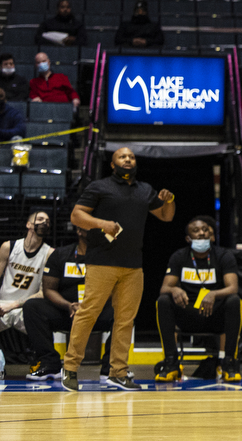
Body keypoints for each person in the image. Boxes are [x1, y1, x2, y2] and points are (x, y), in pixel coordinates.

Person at [65, 147, 176, 391]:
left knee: (125, 320)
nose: (128, 159)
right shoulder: (99, 187)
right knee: (88, 314)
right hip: (101, 262)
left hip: (133, 266)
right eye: (122, 157)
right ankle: (70, 369)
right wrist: (101, 223)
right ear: (113, 164)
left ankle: (118, 372)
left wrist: (170, 201)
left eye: (132, 156)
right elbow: (76, 215)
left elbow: (166, 216)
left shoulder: (145, 190)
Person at [154, 216, 242, 383]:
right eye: (196, 231)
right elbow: (164, 288)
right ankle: (171, 363)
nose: (202, 233)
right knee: (163, 300)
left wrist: (214, 294)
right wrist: (175, 289)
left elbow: (233, 287)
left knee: (234, 300)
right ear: (188, 239)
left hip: (214, 315)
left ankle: (229, 363)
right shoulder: (179, 256)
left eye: (205, 230)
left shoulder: (224, 256)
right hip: (188, 313)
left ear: (212, 236)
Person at [24, 224, 113, 382]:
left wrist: (91, 306)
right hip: (67, 312)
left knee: (123, 311)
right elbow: (49, 289)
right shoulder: (61, 254)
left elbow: (114, 288)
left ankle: (110, 368)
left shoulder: (107, 255)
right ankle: (50, 363)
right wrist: (68, 305)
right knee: (32, 307)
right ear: (79, 231)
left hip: (97, 312)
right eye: (89, 227)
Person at [0, 210, 53, 347]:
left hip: (26, 308)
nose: (44, 222)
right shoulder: (9, 247)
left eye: (47, 221)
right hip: (2, 304)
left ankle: (45, 364)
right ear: (28, 224)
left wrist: (13, 305)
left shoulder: (49, 253)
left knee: (47, 329)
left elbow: (44, 292)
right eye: (40, 219)